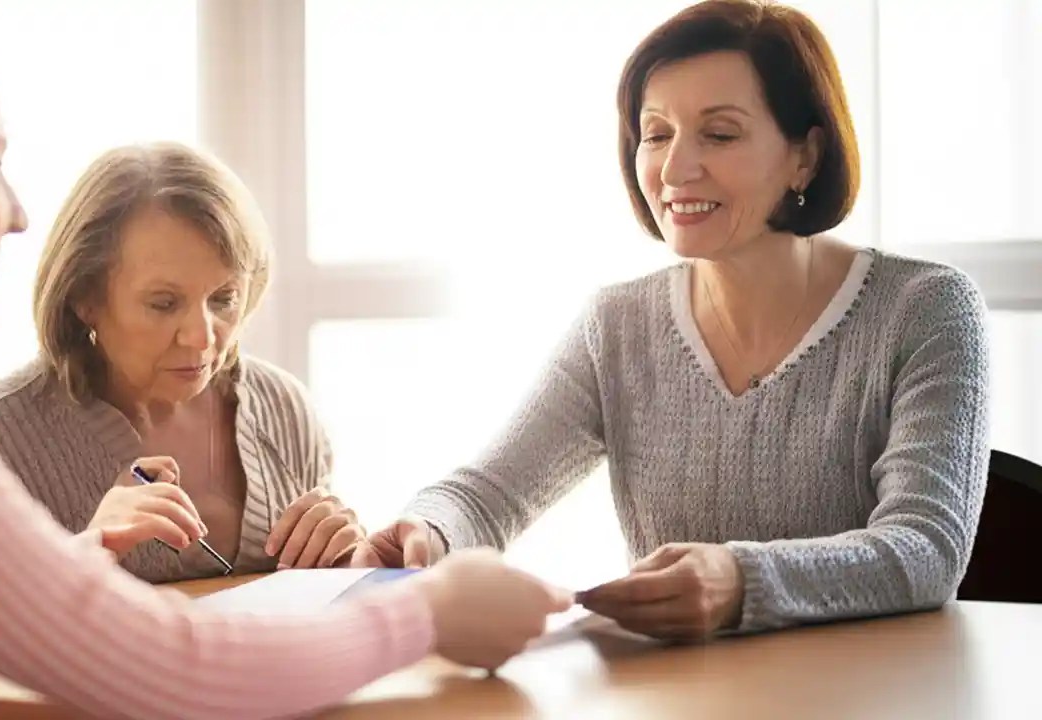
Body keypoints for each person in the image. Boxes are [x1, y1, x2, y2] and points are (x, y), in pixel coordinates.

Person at [0, 2, 570, 718]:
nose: (16, 215)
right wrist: (429, 610)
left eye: (222, 298)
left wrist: (72, 560)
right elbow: (178, 671)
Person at [356, 0, 990, 640]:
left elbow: (926, 547)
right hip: (681, 695)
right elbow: (488, 494)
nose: (675, 168)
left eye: (719, 134)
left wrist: (738, 581)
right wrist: (429, 529)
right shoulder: (617, 325)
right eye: (656, 134)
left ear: (805, 156)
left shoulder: (926, 309)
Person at [0, 142, 360, 582]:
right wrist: (82, 556)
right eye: (164, 304)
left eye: (224, 299)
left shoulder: (283, 408)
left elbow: (324, 607)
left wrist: (351, 562)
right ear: (84, 298)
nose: (202, 337)